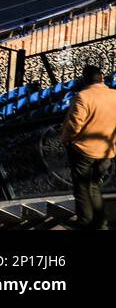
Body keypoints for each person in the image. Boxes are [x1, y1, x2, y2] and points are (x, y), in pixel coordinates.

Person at [60, 64, 116, 230]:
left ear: (84, 80)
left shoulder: (83, 96)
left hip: (84, 150)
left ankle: (85, 222)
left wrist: (65, 140)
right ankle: (101, 223)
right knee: (94, 185)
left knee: (82, 188)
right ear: (102, 78)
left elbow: (74, 125)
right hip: (108, 150)